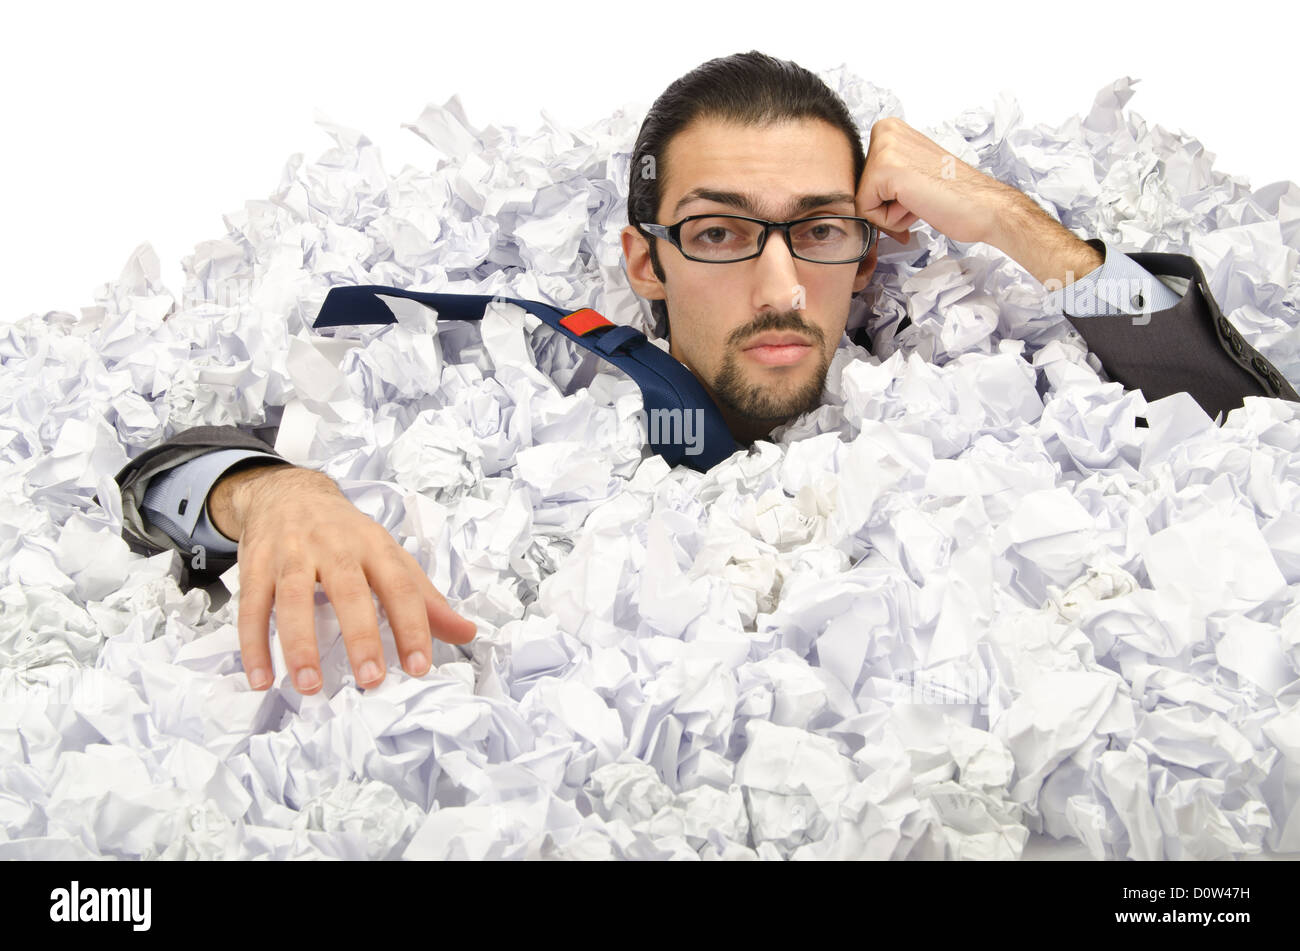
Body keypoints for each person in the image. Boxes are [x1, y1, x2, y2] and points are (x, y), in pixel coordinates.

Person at [112, 50, 1297, 698]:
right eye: (723, 233)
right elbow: (163, 458)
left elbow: (1251, 446)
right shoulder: (522, 379)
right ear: (647, 259)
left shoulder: (972, 367)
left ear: (870, 246)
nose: (783, 288)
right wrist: (270, 492)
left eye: (820, 231)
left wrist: (1012, 224)